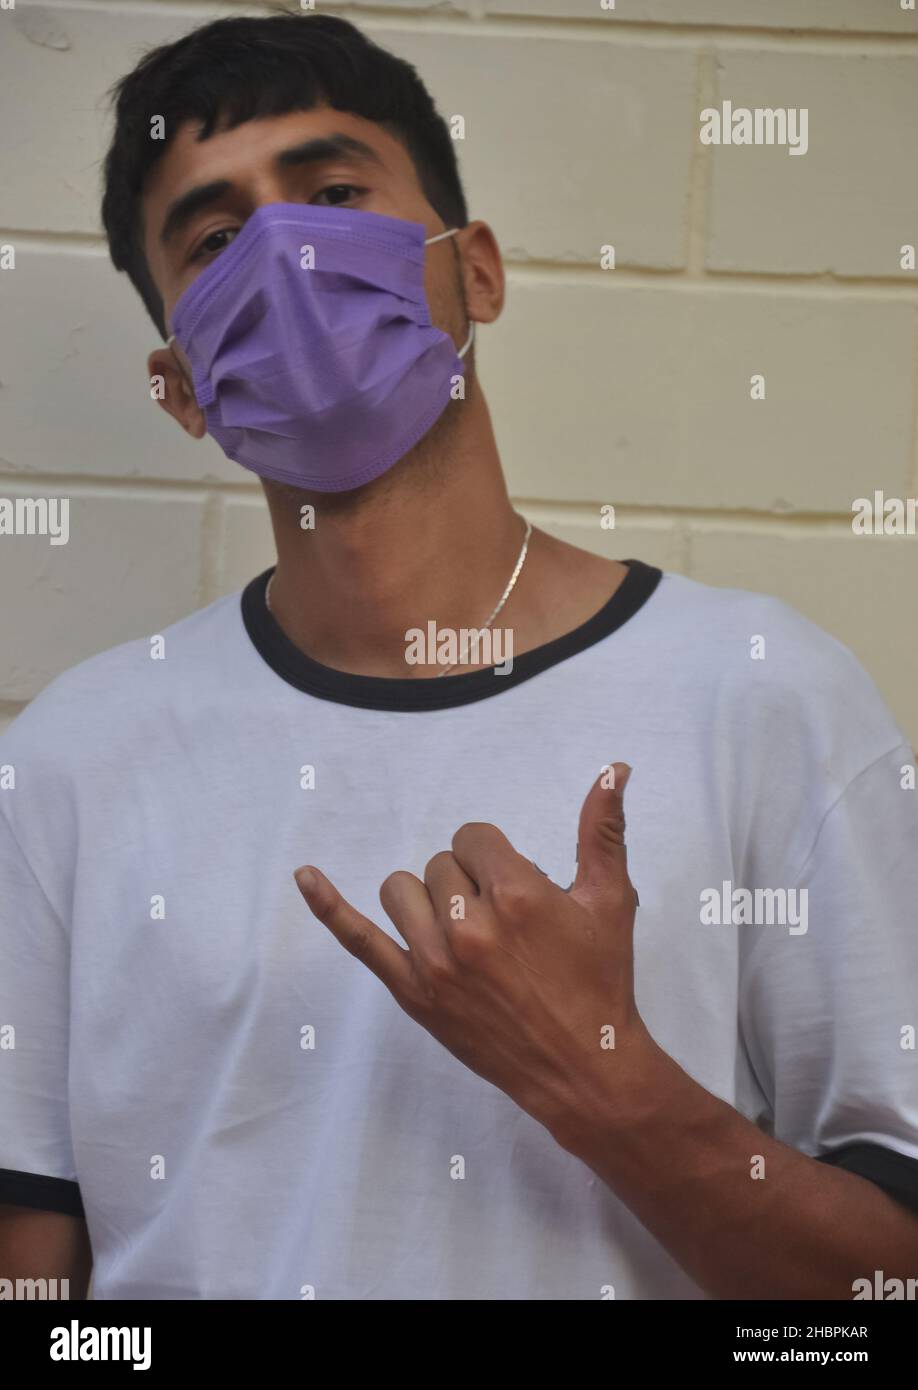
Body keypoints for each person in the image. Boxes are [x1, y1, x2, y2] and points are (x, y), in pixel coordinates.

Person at [1, 12, 916, 1301]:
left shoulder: (770, 700)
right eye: (214, 241)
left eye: (332, 192)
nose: (286, 254)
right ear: (187, 389)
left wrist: (600, 1079)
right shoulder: (67, 766)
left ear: (473, 271)